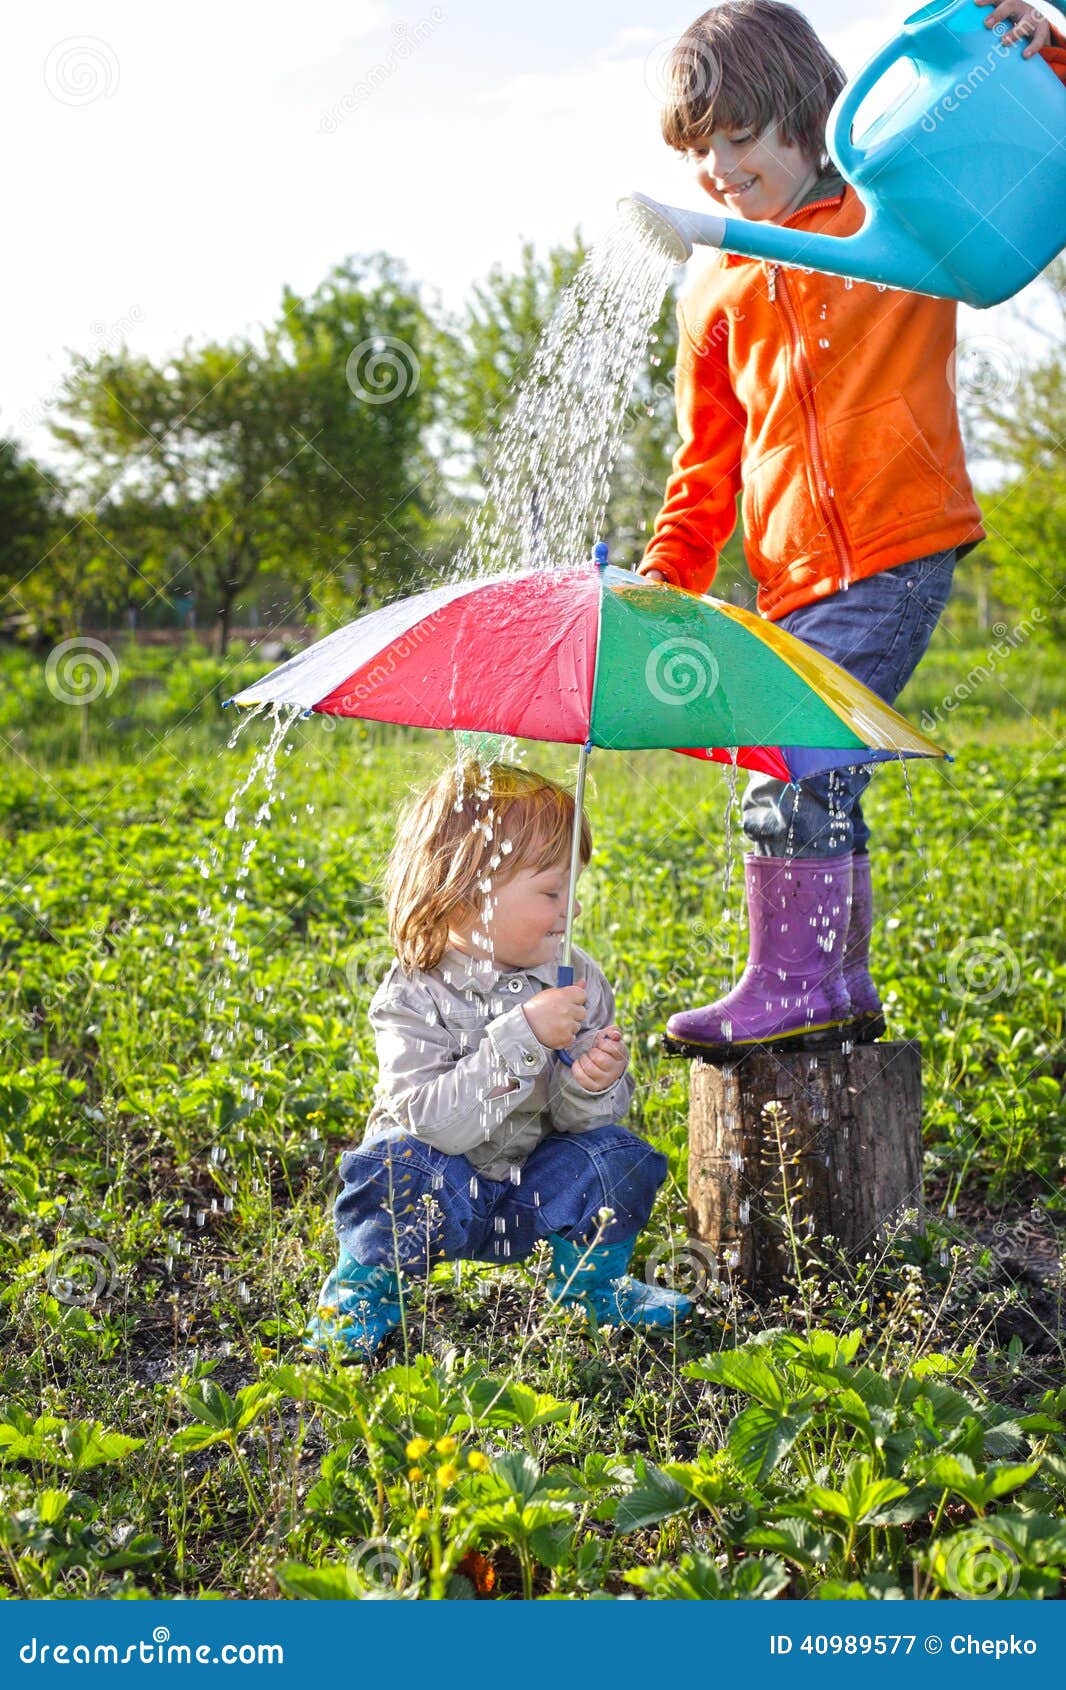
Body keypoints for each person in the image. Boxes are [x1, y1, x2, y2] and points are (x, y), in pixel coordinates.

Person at [638, 0, 1066, 1060]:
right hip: (789, 577)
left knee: (796, 761)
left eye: (738, 140)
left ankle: (799, 983)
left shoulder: (902, 221)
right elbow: (707, 462)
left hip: (898, 545)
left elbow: (1030, 146)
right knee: (804, 766)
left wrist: (1045, 43)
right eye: (701, 154)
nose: (719, 173)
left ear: (801, 114)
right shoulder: (716, 285)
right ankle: (826, 982)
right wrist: (664, 582)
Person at [303, 756, 691, 1359]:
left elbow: (581, 1126)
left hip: (530, 1193)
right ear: (463, 897)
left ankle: (593, 1284)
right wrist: (526, 1035)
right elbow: (434, 1122)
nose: (574, 912)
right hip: (441, 1190)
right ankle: (364, 1295)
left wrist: (591, 1081)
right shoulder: (413, 992)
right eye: (552, 893)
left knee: (617, 1157)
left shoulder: (576, 978)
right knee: (391, 1167)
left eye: (574, 891)